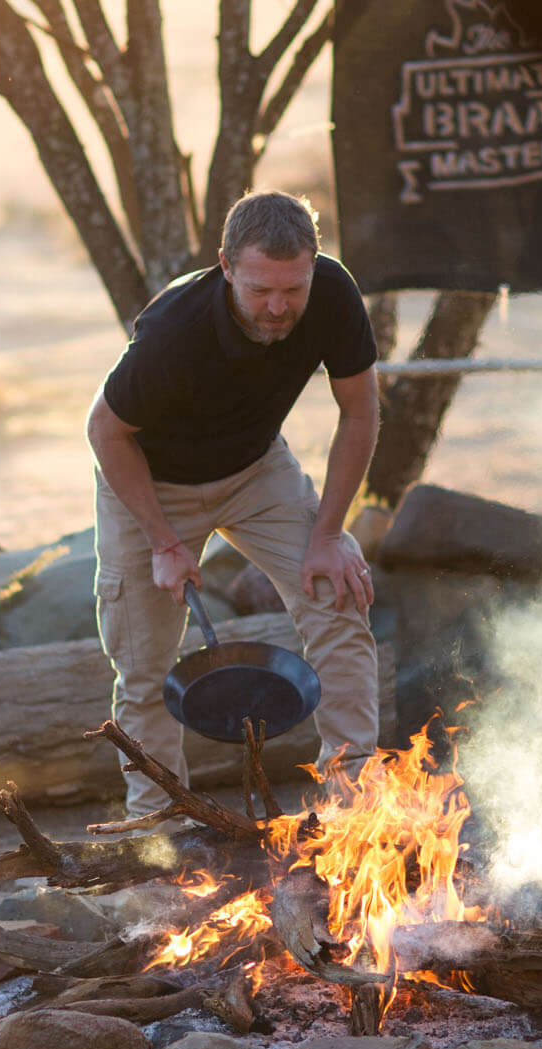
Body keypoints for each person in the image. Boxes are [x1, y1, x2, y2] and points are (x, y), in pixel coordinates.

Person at [87, 189, 381, 820]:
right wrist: (165, 542)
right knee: (143, 669)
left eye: (292, 289)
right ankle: (157, 829)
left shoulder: (332, 292)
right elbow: (105, 432)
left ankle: (354, 808)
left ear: (313, 264)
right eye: (260, 290)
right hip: (150, 481)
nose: (278, 307)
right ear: (226, 266)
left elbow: (360, 411)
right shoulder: (174, 331)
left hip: (255, 468)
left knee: (337, 593)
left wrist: (329, 532)